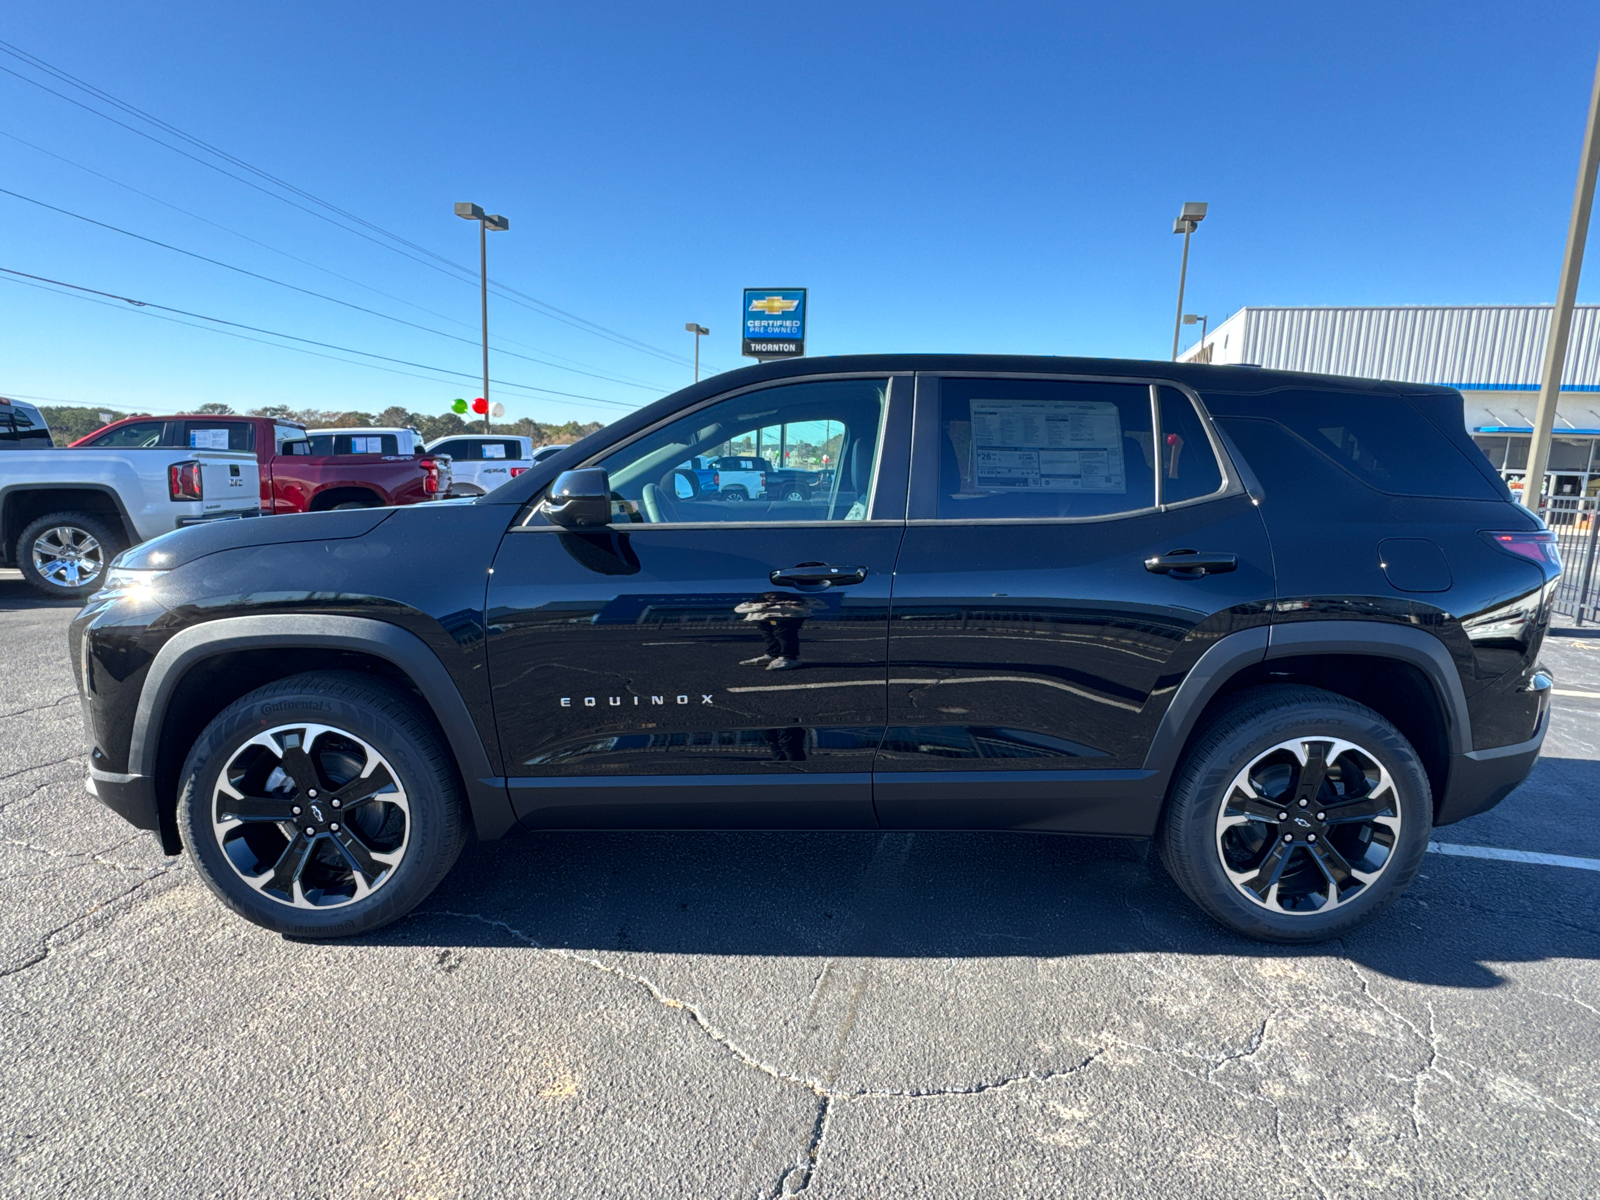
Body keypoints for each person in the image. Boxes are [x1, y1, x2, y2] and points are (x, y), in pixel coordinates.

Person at [733, 592, 818, 671]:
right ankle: (773, 654)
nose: (771, 598)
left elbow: (815, 604)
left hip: (788, 614)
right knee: (768, 633)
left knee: (784, 634)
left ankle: (789, 658)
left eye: (773, 596)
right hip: (762, 615)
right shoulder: (759, 601)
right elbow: (739, 608)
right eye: (769, 596)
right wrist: (763, 605)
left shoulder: (793, 602)